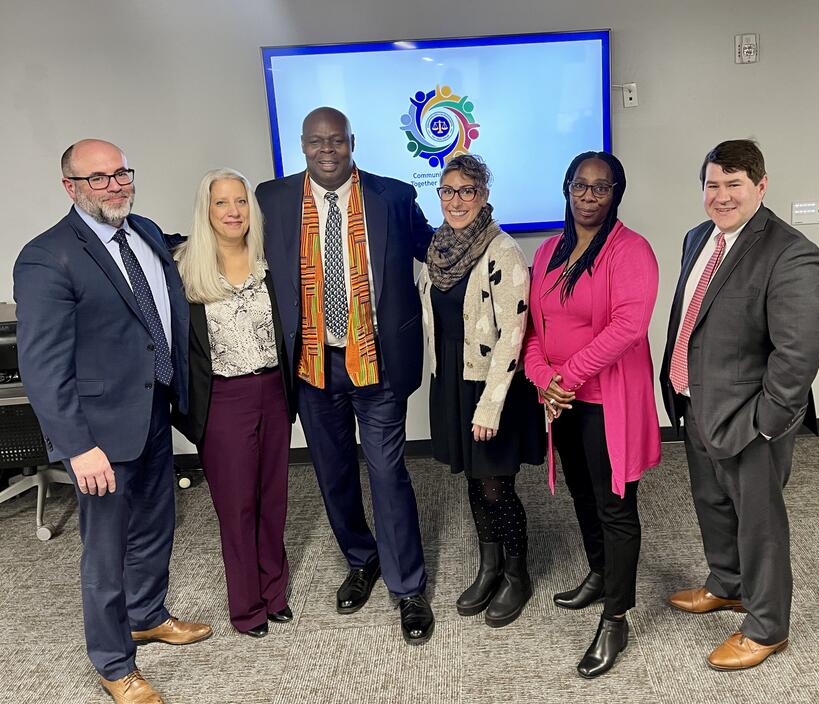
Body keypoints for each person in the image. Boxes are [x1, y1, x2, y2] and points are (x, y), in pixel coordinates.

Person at [13, 139, 212, 704]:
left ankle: (147, 615)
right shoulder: (47, 256)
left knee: (155, 524)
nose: (115, 185)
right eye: (98, 178)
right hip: (97, 430)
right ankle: (113, 663)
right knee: (105, 550)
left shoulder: (144, 230)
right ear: (70, 187)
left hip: (152, 407)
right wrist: (76, 445)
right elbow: (42, 365)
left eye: (121, 172)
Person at [255, 107, 436, 644]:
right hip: (313, 365)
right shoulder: (273, 199)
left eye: (336, 141)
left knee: (386, 472)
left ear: (352, 142)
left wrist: (478, 228)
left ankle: (408, 587)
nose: (327, 150)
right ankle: (361, 559)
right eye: (316, 142)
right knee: (332, 473)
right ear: (303, 145)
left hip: (377, 361)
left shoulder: (394, 196)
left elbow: (433, 246)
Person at [659, 139, 819, 671]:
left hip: (751, 419)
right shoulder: (697, 238)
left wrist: (767, 422)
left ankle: (766, 626)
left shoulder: (789, 250)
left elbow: (799, 350)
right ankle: (727, 585)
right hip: (697, 404)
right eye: (713, 184)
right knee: (712, 506)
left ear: (761, 185)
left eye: (734, 184)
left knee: (760, 524)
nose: (722, 196)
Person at [523, 151, 661, 678]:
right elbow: (534, 328)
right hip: (562, 400)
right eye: (580, 185)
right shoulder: (551, 252)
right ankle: (601, 573)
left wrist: (567, 377)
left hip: (608, 401)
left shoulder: (631, 251)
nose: (588, 195)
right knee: (583, 493)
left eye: (601, 187)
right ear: (566, 188)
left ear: (616, 193)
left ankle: (616, 618)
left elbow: (628, 327)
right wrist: (543, 379)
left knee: (615, 507)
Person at [417, 155, 544, 627]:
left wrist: (490, 406)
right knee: (475, 480)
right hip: (452, 377)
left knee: (496, 485)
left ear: (484, 196)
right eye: (447, 191)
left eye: (467, 191)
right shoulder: (438, 248)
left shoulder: (502, 250)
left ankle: (517, 574)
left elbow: (514, 333)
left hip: (492, 385)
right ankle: (490, 567)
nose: (456, 200)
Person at [171, 168, 294, 638]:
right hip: (223, 399)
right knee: (237, 506)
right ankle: (246, 608)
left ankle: (274, 593)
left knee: (273, 499)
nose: (233, 212)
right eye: (222, 203)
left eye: (240, 201)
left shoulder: (270, 262)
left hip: (273, 393)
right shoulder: (184, 267)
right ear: (207, 210)